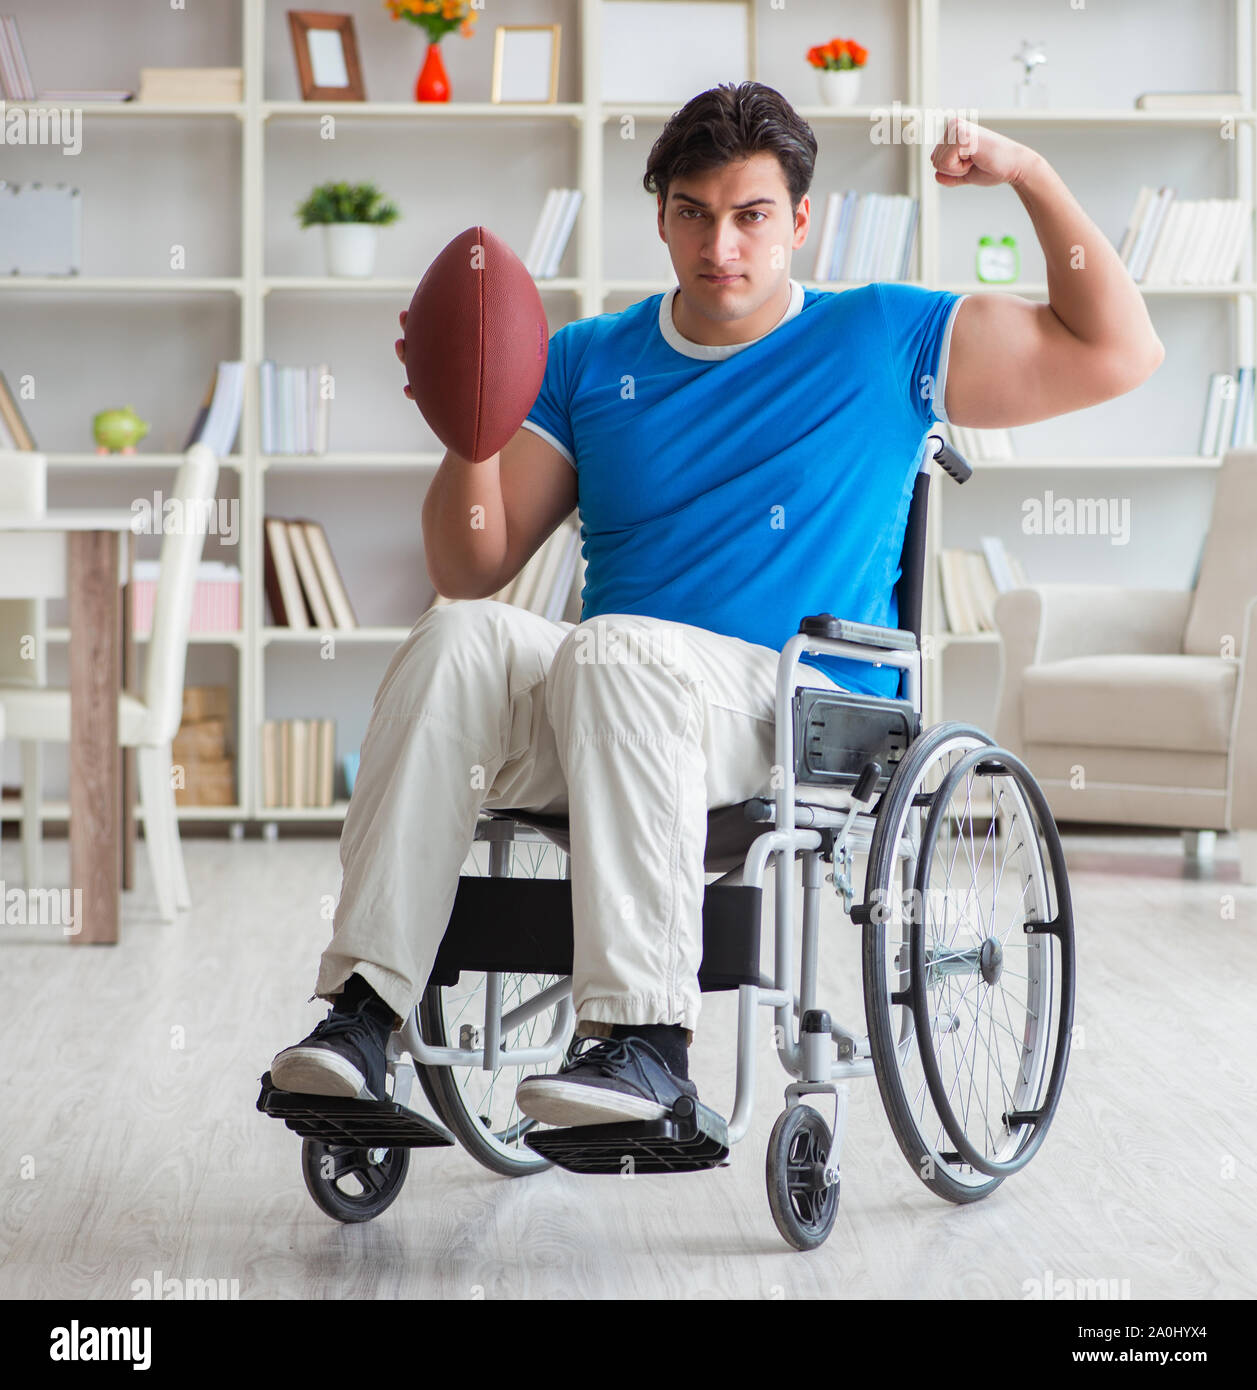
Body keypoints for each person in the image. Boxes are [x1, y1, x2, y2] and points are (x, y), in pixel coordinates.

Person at [270, 81, 1163, 1126]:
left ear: (799, 221)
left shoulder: (883, 336)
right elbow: (474, 565)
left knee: (613, 651)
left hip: (792, 708)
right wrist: (463, 427)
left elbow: (1120, 352)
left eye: (749, 216)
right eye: (692, 212)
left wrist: (1028, 174)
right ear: (660, 217)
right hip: (612, 707)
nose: (720, 245)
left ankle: (646, 1040)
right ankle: (364, 1011)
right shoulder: (589, 360)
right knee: (457, 635)